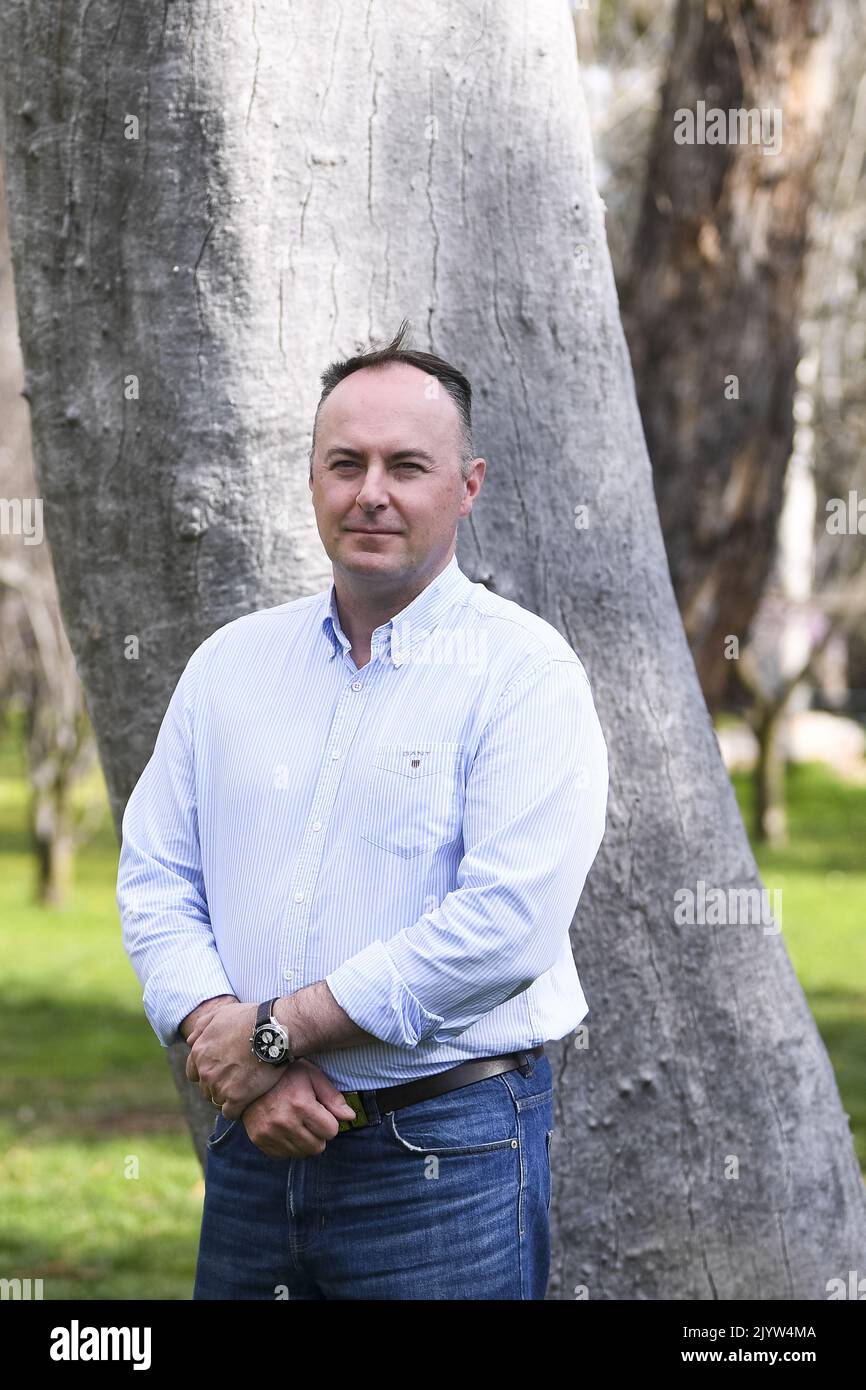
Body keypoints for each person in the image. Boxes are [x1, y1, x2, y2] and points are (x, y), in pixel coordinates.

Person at [116, 319, 609, 1300]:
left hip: (443, 1154)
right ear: (311, 479)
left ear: (464, 486)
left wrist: (276, 1032)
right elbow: (156, 876)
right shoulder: (229, 667)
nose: (370, 491)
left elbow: (504, 925)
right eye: (345, 462)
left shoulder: (522, 673)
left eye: (405, 464)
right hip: (257, 1145)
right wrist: (231, 1038)